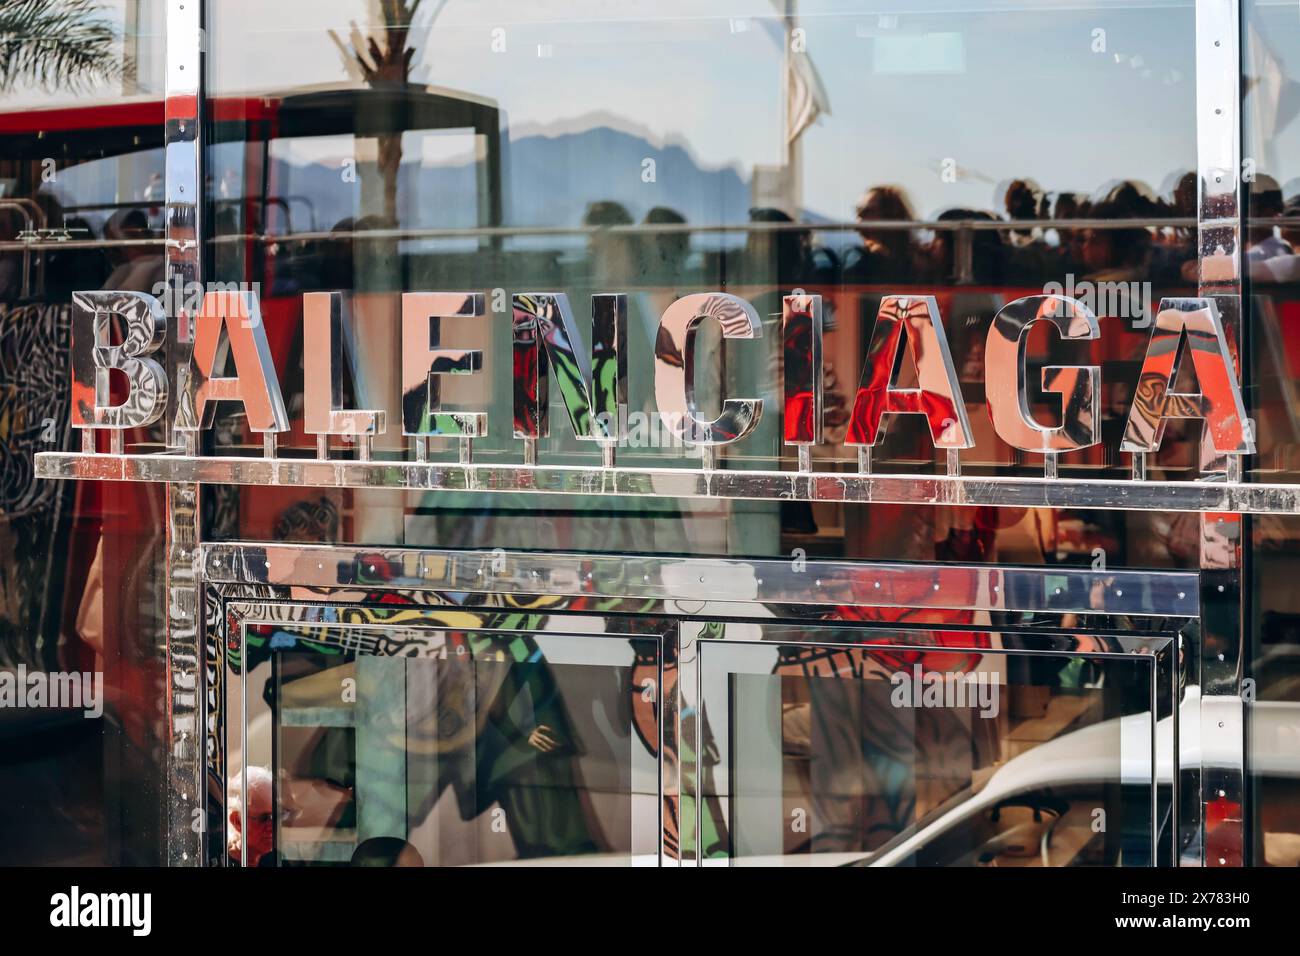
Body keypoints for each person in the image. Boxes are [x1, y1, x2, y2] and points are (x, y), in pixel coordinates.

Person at [228, 766, 276, 866]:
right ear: (237, 821)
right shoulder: (220, 861)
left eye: (275, 816)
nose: (272, 827)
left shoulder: (276, 859)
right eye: (264, 818)